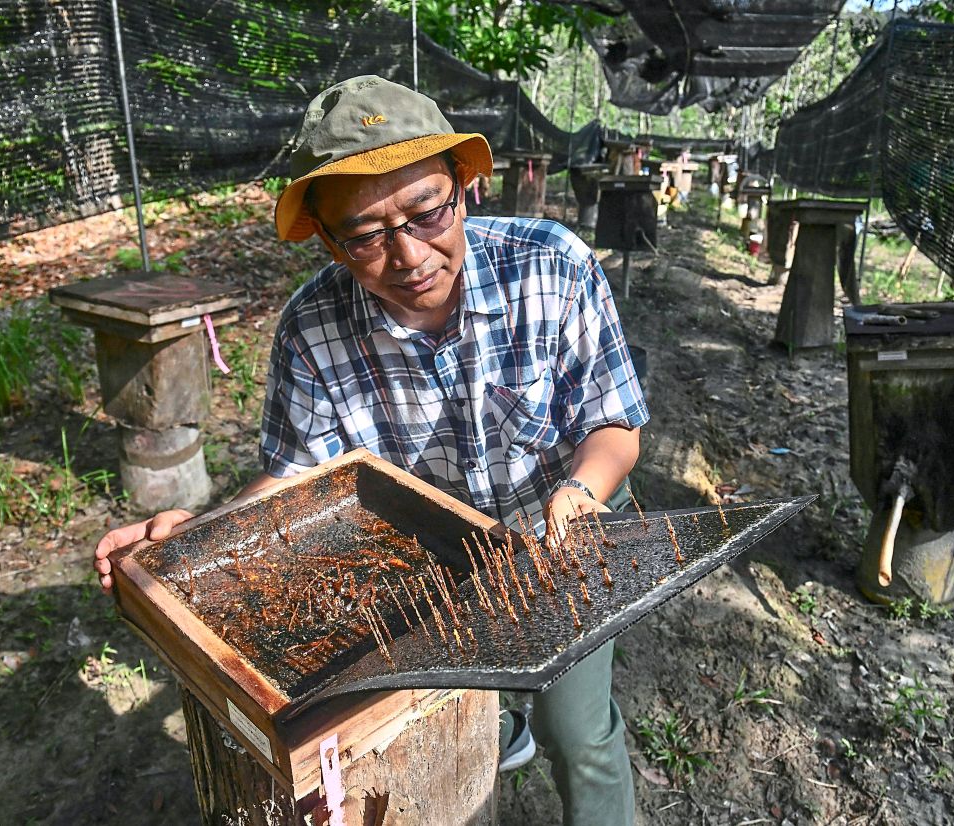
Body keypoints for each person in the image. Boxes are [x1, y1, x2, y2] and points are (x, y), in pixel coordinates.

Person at [92, 74, 648, 826]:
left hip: (559, 541)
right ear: (326, 239)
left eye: (427, 212)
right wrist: (196, 542)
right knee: (436, 736)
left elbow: (614, 425)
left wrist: (580, 493)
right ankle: (498, 716)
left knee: (577, 733)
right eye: (364, 235)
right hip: (421, 574)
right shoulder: (311, 328)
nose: (408, 253)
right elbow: (295, 486)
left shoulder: (553, 266)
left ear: (465, 186)